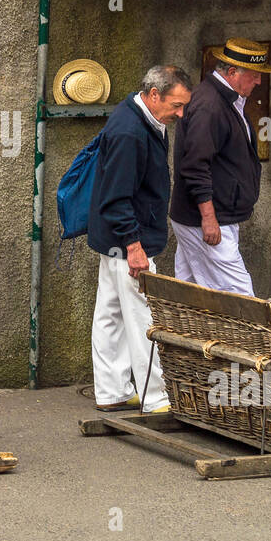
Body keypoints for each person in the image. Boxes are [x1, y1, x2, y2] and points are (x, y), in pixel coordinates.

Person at [86, 65, 192, 413]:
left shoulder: (139, 117)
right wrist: (134, 246)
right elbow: (117, 197)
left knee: (111, 313)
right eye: (176, 105)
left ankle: (112, 391)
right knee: (142, 315)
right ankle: (156, 397)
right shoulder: (132, 131)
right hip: (129, 240)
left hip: (114, 236)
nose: (180, 114)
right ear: (154, 95)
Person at [171, 38, 270, 297]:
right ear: (232, 73)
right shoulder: (211, 105)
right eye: (254, 75)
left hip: (207, 218)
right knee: (239, 298)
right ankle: (247, 339)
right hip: (207, 221)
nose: (258, 81)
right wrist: (209, 218)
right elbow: (194, 166)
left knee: (192, 294)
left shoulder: (223, 99)